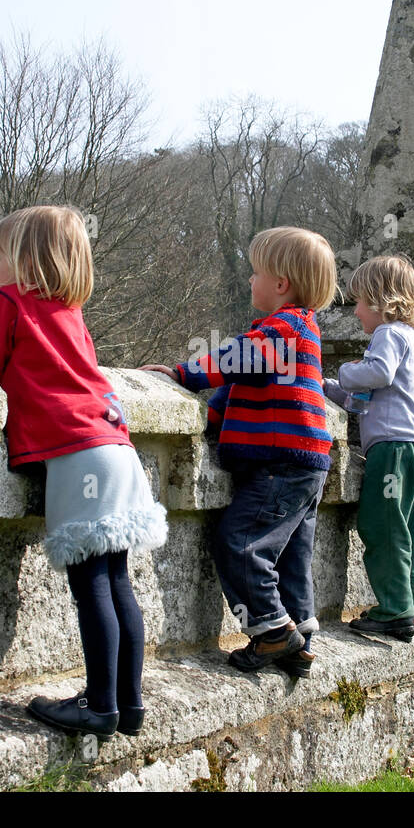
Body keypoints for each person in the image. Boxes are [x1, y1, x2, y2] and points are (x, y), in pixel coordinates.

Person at [0, 205, 167, 740]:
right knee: (119, 580)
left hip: (77, 456)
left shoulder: (9, 303)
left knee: (90, 585)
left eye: (2, 257)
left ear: (27, 260)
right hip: (117, 447)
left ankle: (99, 706)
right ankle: (130, 702)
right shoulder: (71, 313)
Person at [140, 227, 337, 678]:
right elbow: (237, 388)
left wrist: (183, 374)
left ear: (281, 283)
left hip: (281, 464)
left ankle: (270, 631)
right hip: (304, 464)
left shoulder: (285, 326)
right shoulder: (293, 331)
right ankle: (298, 641)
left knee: (241, 542)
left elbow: (238, 359)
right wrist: (210, 418)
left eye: (256, 273)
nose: (250, 281)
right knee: (290, 555)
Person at [322, 255, 414, 643]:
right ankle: (405, 604)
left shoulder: (388, 335)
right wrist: (330, 389)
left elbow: (377, 374)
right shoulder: (412, 341)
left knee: (382, 525)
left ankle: (394, 610)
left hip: (392, 452)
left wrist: (346, 372)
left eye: (360, 302)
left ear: (383, 301)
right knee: (411, 529)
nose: (356, 311)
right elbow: (367, 398)